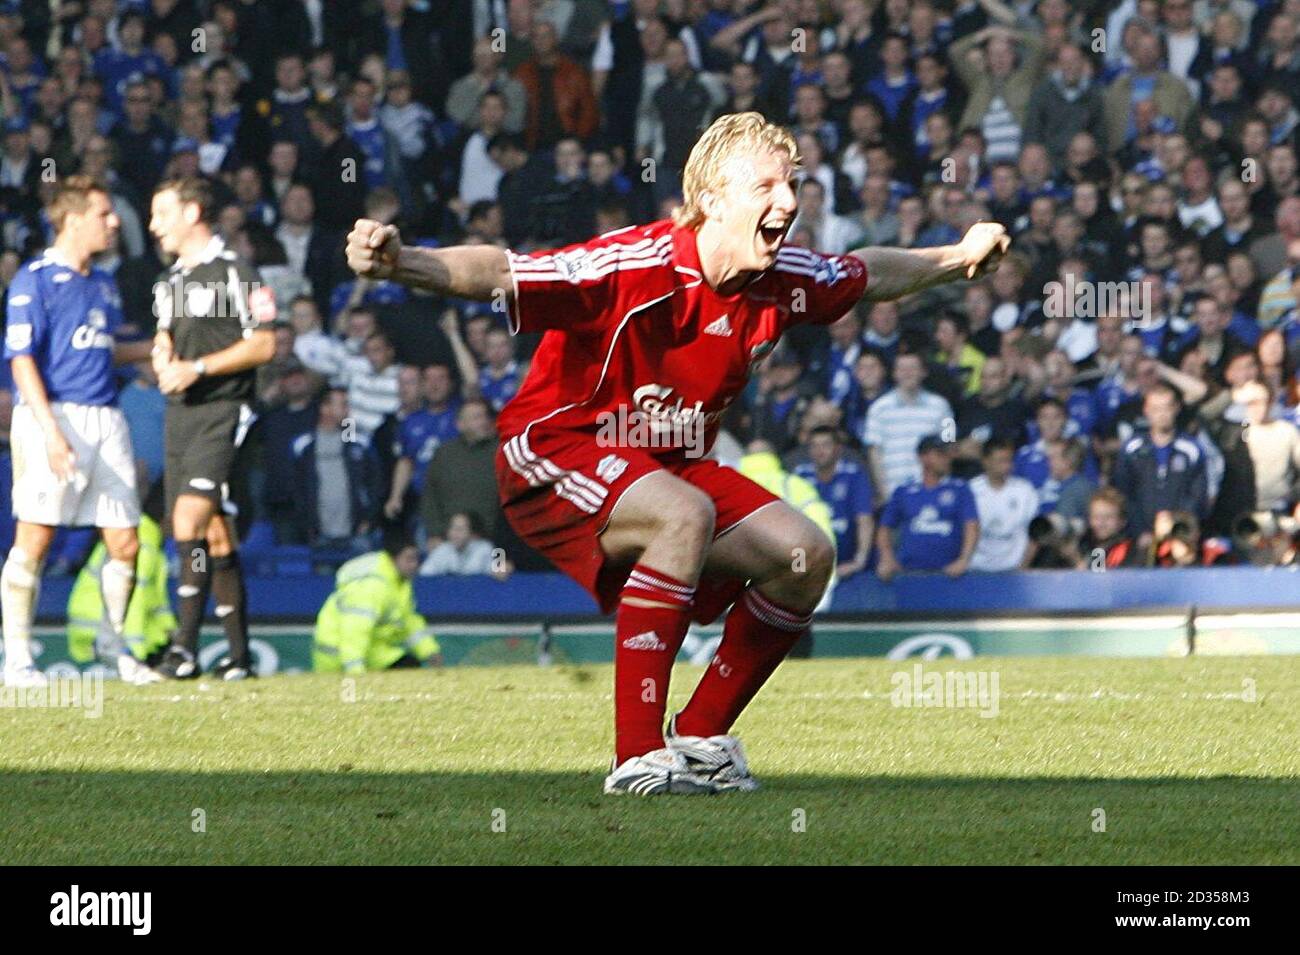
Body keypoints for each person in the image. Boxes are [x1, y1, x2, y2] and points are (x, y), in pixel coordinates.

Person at [345, 111, 1009, 795]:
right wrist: (407, 263)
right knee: (683, 512)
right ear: (711, 200)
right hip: (556, 446)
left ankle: (698, 741)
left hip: (664, 466)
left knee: (803, 554)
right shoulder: (634, 265)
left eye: (795, 186)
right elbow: (505, 271)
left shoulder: (782, 275)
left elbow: (865, 273)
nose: (787, 202)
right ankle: (635, 756)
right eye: (767, 187)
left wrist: (957, 258)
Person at [1, 176, 154, 687]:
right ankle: (18, 659)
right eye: (104, 214)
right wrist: (50, 433)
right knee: (36, 537)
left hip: (106, 417)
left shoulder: (102, 283)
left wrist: (152, 351)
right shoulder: (35, 280)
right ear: (71, 220)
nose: (114, 223)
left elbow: (98, 350)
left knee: (125, 541)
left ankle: (113, 647)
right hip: (53, 415)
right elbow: (22, 362)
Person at [148, 176, 277, 681]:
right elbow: (165, 334)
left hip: (224, 411)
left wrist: (197, 369)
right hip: (180, 414)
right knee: (216, 536)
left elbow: (265, 345)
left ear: (192, 212)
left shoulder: (236, 272)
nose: (154, 225)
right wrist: (163, 353)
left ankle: (182, 650)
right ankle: (239, 656)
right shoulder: (170, 280)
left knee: (186, 521)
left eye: (161, 213)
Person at [67, 512, 174, 678]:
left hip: (110, 632)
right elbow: (136, 600)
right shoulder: (143, 540)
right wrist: (135, 651)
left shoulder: (151, 539)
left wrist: (172, 633)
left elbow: (156, 599)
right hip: (100, 632)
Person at [313, 534, 441, 673]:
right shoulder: (372, 587)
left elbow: (409, 622)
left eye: (416, 559)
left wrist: (430, 651)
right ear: (393, 559)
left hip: (371, 649)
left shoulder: (400, 584)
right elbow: (354, 631)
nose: (414, 564)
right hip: (338, 660)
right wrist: (356, 673)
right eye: (409, 559)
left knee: (409, 666)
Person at [876, 434, 980, 581]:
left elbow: (971, 525)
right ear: (923, 457)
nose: (947, 458)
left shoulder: (960, 489)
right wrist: (887, 558)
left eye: (947, 454)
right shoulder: (904, 491)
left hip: (949, 575)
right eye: (940, 454)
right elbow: (885, 527)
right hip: (909, 573)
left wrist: (964, 559)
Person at [794, 426, 874, 579]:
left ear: (838, 449)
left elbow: (864, 520)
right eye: (814, 446)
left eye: (825, 445)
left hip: (848, 564)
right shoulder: (800, 476)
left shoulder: (854, 475)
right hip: (811, 566)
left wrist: (858, 561)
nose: (820, 450)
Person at [969, 437, 1039, 572]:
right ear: (986, 461)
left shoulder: (1025, 491)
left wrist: (1023, 568)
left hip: (1014, 571)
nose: (1007, 466)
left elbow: (1034, 535)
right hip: (976, 570)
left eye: (1009, 460)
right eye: (1001, 461)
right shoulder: (970, 490)